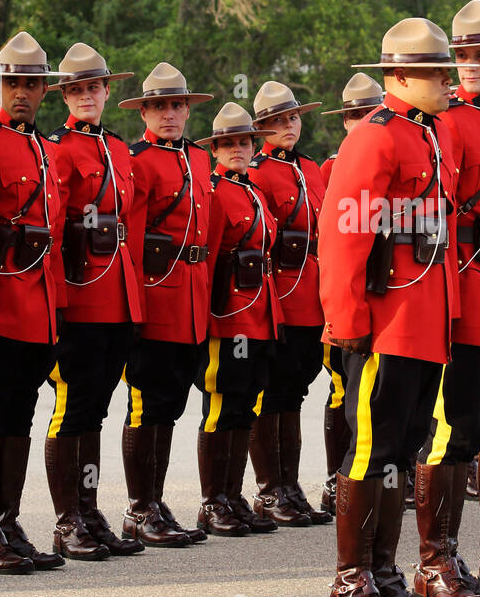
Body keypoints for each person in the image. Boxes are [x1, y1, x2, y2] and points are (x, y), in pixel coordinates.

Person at [319, 17, 467, 597]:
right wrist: (347, 319)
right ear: (400, 76)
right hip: (382, 321)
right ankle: (348, 584)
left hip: (422, 319)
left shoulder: (429, 134)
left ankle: (383, 574)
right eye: (435, 74)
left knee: (402, 453)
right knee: (370, 451)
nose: (448, 83)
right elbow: (343, 232)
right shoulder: (376, 137)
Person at [412, 0, 480, 597]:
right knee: (449, 433)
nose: (471, 65)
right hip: (454, 296)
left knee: (477, 429)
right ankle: (434, 562)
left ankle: (458, 554)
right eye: (461, 55)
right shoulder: (445, 123)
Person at [0, 31, 69, 568]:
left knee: (20, 419)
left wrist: (57, 312)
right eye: (14, 82)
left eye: (32, 84)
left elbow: (51, 236)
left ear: (45, 91)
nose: (23, 92)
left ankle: (7, 522)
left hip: (39, 309)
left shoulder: (48, 150)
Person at [45, 43, 144, 557]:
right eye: (76, 89)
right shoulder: (58, 148)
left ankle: (88, 508)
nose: (86, 96)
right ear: (65, 95)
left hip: (117, 297)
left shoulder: (119, 148)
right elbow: (55, 229)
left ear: (108, 90)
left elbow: (131, 224)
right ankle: (67, 520)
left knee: (97, 411)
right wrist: (57, 301)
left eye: (94, 87)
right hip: (80, 296)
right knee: (72, 407)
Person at [117, 63, 215, 546]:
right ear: (145, 112)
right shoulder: (138, 161)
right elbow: (132, 240)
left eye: (177, 105)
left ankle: (154, 501)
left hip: (193, 298)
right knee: (147, 405)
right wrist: (134, 306)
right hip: (156, 295)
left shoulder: (199, 159)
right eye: (160, 106)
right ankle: (138, 508)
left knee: (172, 404)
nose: (171, 114)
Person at [194, 104, 284, 537]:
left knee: (245, 406)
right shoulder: (213, 192)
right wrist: (205, 320)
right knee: (221, 407)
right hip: (227, 317)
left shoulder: (254, 191)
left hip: (261, 314)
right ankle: (213, 502)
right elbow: (208, 259)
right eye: (228, 143)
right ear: (214, 148)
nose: (237, 149)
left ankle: (232, 496)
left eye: (244, 142)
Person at [247, 80, 329, 527]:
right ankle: (268, 489)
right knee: (271, 391)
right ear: (261, 130)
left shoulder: (311, 168)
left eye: (292, 117)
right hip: (278, 293)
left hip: (312, 297)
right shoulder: (258, 172)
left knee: (295, 391)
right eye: (277, 121)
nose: (288, 126)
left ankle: (290, 485)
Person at [316, 73, 383, 515]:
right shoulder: (332, 167)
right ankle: (335, 480)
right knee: (347, 395)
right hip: (349, 303)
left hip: (392, 298)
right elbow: (338, 245)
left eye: (368, 111)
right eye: (353, 115)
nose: (360, 120)